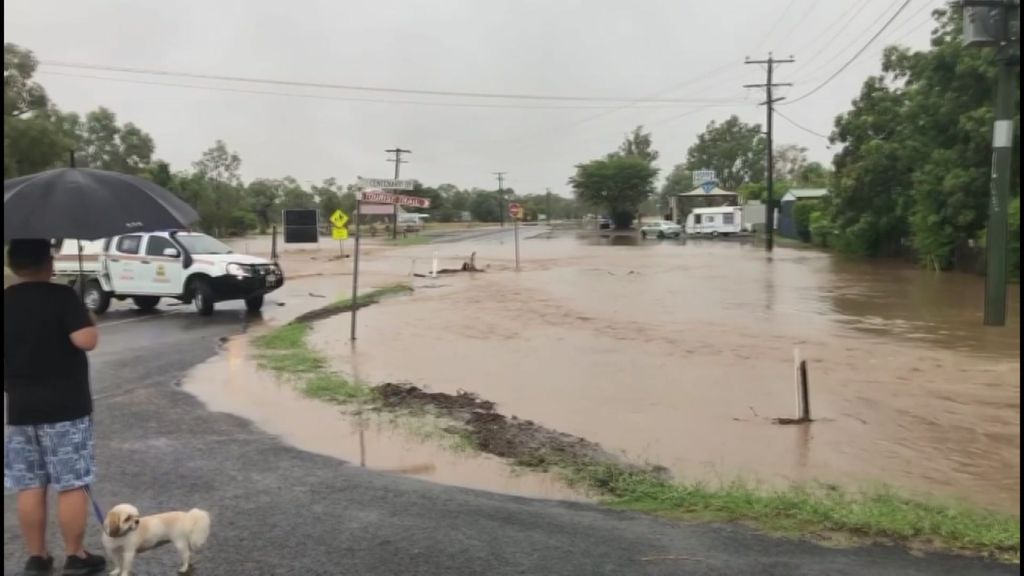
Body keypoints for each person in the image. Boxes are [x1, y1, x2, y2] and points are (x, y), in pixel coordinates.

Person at [4, 239, 107, 576]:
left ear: (14, 265)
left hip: (21, 408)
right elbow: (86, 340)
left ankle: (37, 557)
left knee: (30, 484)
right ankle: (75, 555)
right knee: (71, 482)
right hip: (65, 406)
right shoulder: (62, 296)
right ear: (47, 263)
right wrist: (85, 311)